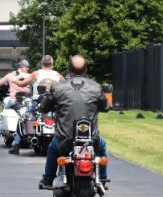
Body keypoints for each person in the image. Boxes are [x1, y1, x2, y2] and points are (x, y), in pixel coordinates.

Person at [37, 55, 110, 189]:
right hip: (90, 138)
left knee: (53, 148)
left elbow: (45, 106)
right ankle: (103, 178)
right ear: (86, 70)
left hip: (65, 138)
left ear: (69, 70)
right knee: (102, 146)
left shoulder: (57, 87)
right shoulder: (96, 87)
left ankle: (48, 178)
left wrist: (43, 106)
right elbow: (105, 107)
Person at [0, 60, 31, 148]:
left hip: (13, 101)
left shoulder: (10, 75)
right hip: (27, 102)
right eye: (27, 67)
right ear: (23, 67)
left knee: (2, 117)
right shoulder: (30, 76)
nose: (28, 69)